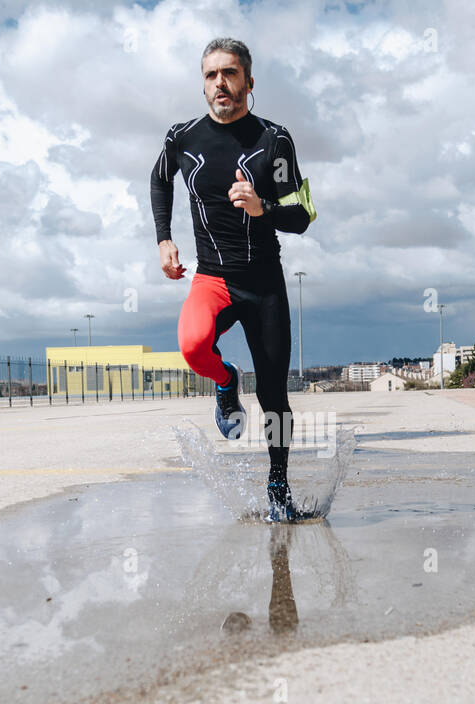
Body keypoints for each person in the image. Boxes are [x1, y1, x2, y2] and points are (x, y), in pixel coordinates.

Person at [150, 37, 316, 522]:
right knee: (193, 345)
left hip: (264, 283)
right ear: (203, 83)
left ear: (248, 80)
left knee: (273, 395)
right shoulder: (182, 138)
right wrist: (164, 238)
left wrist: (264, 208)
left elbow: (302, 213)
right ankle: (226, 382)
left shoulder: (274, 139)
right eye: (210, 75)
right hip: (213, 277)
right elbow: (159, 180)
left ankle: (279, 488)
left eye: (229, 73)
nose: (220, 83)